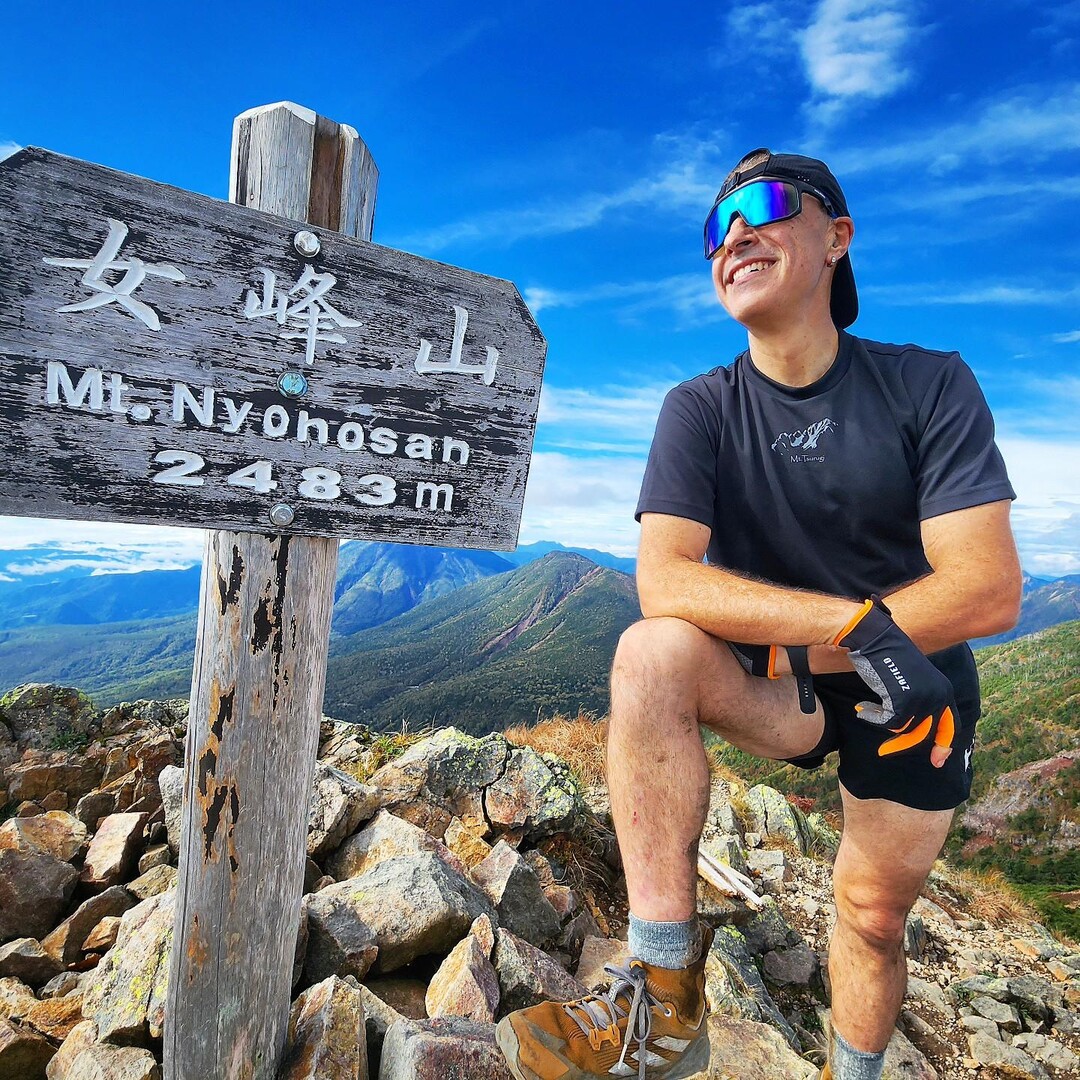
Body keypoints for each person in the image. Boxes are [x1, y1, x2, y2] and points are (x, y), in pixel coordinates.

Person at [496, 148, 1022, 1080]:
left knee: (869, 916)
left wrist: (864, 641)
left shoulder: (928, 384)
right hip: (793, 682)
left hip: (920, 695)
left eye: (768, 204)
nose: (735, 232)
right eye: (716, 225)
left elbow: (984, 587)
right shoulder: (698, 408)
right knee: (649, 651)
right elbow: (666, 581)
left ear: (837, 238)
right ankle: (662, 996)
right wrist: (850, 632)